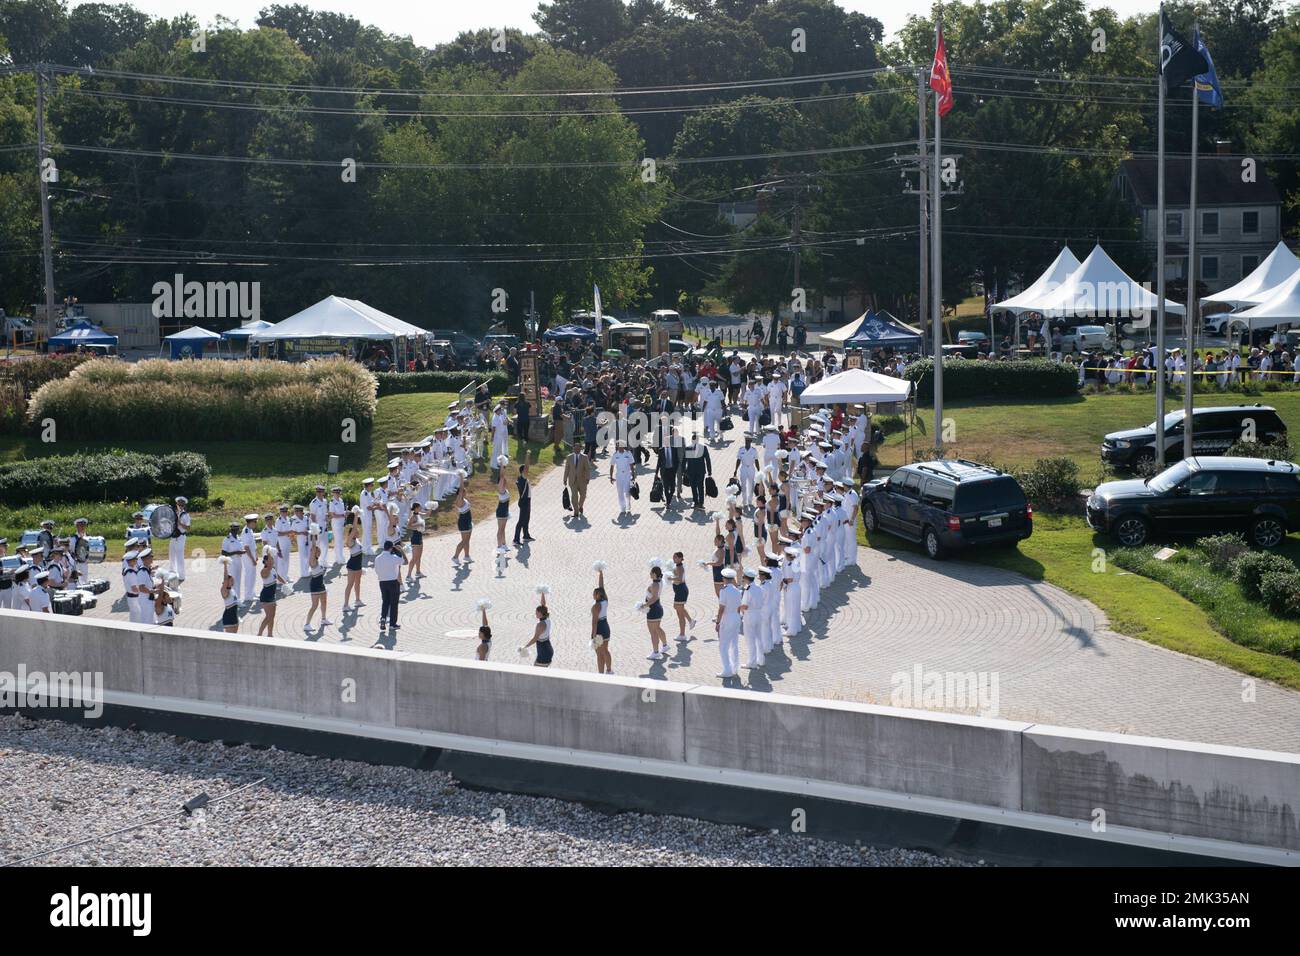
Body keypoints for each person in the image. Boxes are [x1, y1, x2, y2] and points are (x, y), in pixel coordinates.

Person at [714, 568, 743, 679]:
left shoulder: (723, 591)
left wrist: (717, 622)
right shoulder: (737, 590)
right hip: (736, 617)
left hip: (727, 618)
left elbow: (721, 608)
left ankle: (727, 669)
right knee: (734, 644)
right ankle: (735, 667)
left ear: (724, 579)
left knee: (723, 645)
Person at [374, 539, 406, 633]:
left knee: (385, 602)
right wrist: (401, 550)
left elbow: (376, 571)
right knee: (394, 603)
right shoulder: (394, 557)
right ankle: (392, 624)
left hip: (382, 582)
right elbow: (405, 561)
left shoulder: (377, 558)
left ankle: (383, 618)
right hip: (393, 582)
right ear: (391, 548)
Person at [303, 526, 331, 631]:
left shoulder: (318, 562)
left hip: (321, 585)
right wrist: (314, 535)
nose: (319, 552)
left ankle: (323, 619)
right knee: (314, 605)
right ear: (313, 553)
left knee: (324, 602)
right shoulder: (312, 562)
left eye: (319, 551)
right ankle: (307, 624)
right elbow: (314, 546)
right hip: (315, 585)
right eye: (317, 551)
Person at [256, 550, 288, 637]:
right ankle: (259, 634)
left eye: (272, 560)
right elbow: (269, 567)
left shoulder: (273, 569)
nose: (272, 561)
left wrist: (285, 583)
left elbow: (278, 576)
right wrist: (268, 552)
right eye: (270, 560)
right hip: (266, 596)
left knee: (272, 616)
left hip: (272, 596)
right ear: (266, 561)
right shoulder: (264, 571)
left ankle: (270, 634)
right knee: (268, 617)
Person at [741, 568, 767, 670]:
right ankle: (761, 659)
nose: (743, 578)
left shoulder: (748, 590)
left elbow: (745, 606)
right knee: (758, 638)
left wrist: (739, 608)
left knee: (750, 640)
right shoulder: (759, 588)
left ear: (747, 578)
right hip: (758, 614)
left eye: (743, 577)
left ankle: (752, 662)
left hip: (750, 615)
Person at [643, 564, 669, 661]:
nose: (649, 574)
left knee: (653, 631)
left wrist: (645, 605)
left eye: (651, 572)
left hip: (653, 609)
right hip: (658, 608)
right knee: (657, 628)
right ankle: (665, 645)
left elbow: (654, 598)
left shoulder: (654, 584)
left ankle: (656, 652)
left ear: (654, 574)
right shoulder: (660, 581)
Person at [682, 432, 712, 510]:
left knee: (700, 487)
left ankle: (701, 503)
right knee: (693, 487)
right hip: (691, 472)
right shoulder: (687, 448)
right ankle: (695, 502)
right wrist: (684, 471)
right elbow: (684, 460)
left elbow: (707, 460)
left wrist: (709, 471)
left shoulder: (703, 448)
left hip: (700, 471)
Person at [670, 551, 695, 642]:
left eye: (676, 557)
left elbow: (680, 579)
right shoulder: (677, 566)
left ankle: (682, 634)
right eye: (673, 557)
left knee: (680, 613)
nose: (674, 559)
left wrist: (670, 578)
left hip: (681, 590)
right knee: (677, 608)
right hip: (679, 590)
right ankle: (690, 621)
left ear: (681, 558)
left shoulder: (680, 567)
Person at [522, 592, 553, 667]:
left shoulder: (540, 625)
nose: (535, 614)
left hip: (543, 651)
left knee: (537, 671)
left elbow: (535, 639)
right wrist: (542, 592)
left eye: (537, 613)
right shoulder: (547, 618)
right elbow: (543, 604)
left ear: (541, 614)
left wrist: (524, 647)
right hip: (547, 648)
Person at [591, 569, 612, 674]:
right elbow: (602, 587)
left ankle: (601, 673)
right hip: (606, 627)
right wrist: (601, 575)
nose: (593, 595)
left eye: (594, 594)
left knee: (599, 653)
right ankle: (609, 670)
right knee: (605, 650)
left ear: (598, 595)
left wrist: (593, 636)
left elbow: (594, 622)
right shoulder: (605, 600)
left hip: (599, 629)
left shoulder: (596, 606)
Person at [342, 511, 364, 610]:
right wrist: (356, 516)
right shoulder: (350, 541)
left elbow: (355, 529)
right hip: (352, 565)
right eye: (356, 531)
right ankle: (345, 605)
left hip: (358, 565)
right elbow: (354, 528)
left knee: (358, 583)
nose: (358, 532)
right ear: (352, 533)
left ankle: (357, 600)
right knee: (350, 584)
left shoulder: (357, 540)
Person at [563, 446, 591, 519]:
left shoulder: (584, 457)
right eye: (575, 449)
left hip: (582, 481)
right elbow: (567, 468)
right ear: (573, 449)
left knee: (583, 495)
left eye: (578, 449)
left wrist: (588, 478)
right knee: (574, 497)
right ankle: (576, 512)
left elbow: (587, 469)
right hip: (572, 480)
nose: (576, 450)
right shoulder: (569, 457)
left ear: (580, 449)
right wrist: (565, 479)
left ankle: (580, 505)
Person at [609, 439, 636, 515]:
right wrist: (611, 477)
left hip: (627, 474)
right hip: (619, 475)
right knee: (620, 492)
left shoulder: (628, 453)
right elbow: (612, 466)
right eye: (618, 445)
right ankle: (622, 507)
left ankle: (628, 505)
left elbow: (631, 465)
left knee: (627, 492)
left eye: (621, 445)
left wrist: (633, 475)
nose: (620, 447)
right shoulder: (615, 455)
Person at [169, 496, 191, 581]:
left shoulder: (185, 515)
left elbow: (188, 528)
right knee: (171, 554)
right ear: (176, 504)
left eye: (182, 505)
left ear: (184, 505)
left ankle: (181, 576)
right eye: (179, 504)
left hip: (181, 536)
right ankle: (172, 572)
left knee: (179, 556)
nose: (180, 506)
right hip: (173, 536)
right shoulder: (174, 513)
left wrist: (180, 523)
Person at [452, 480, 473, 565]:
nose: (465, 491)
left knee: (467, 540)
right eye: (464, 490)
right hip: (463, 522)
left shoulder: (464, 499)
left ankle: (467, 556)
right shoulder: (459, 501)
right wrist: (461, 478)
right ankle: (455, 556)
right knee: (464, 541)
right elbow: (461, 489)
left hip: (467, 521)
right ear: (460, 493)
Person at [654, 439, 679, 509]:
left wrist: (675, 470)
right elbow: (659, 462)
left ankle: (669, 499)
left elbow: (677, 460)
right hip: (664, 472)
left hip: (672, 471)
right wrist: (656, 473)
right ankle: (668, 503)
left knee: (673, 488)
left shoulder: (674, 449)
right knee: (666, 487)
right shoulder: (661, 450)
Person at [513, 463, 533, 545]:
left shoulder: (523, 478)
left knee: (526, 518)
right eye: (526, 470)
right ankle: (516, 539)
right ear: (522, 472)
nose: (527, 472)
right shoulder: (522, 479)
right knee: (521, 520)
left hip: (527, 500)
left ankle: (526, 535)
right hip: (524, 501)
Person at [405, 502, 426, 581]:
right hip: (415, 537)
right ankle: (408, 576)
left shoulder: (419, 514)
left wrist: (431, 507)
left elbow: (427, 514)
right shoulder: (413, 516)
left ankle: (418, 572)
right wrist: (418, 525)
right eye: (419, 506)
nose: (421, 507)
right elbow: (408, 526)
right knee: (414, 558)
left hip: (420, 536)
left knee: (419, 557)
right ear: (416, 508)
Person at [494, 461, 511, 553]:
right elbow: (501, 477)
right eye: (503, 481)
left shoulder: (504, 490)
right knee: (500, 530)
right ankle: (499, 546)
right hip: (501, 511)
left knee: (503, 529)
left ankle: (504, 545)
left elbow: (503, 478)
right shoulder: (501, 490)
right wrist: (502, 466)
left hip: (504, 511)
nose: (505, 481)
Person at [219, 556, 238, 632]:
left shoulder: (232, 590)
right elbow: (226, 578)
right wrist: (225, 565)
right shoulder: (224, 590)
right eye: (231, 580)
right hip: (228, 618)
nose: (233, 581)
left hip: (235, 617)